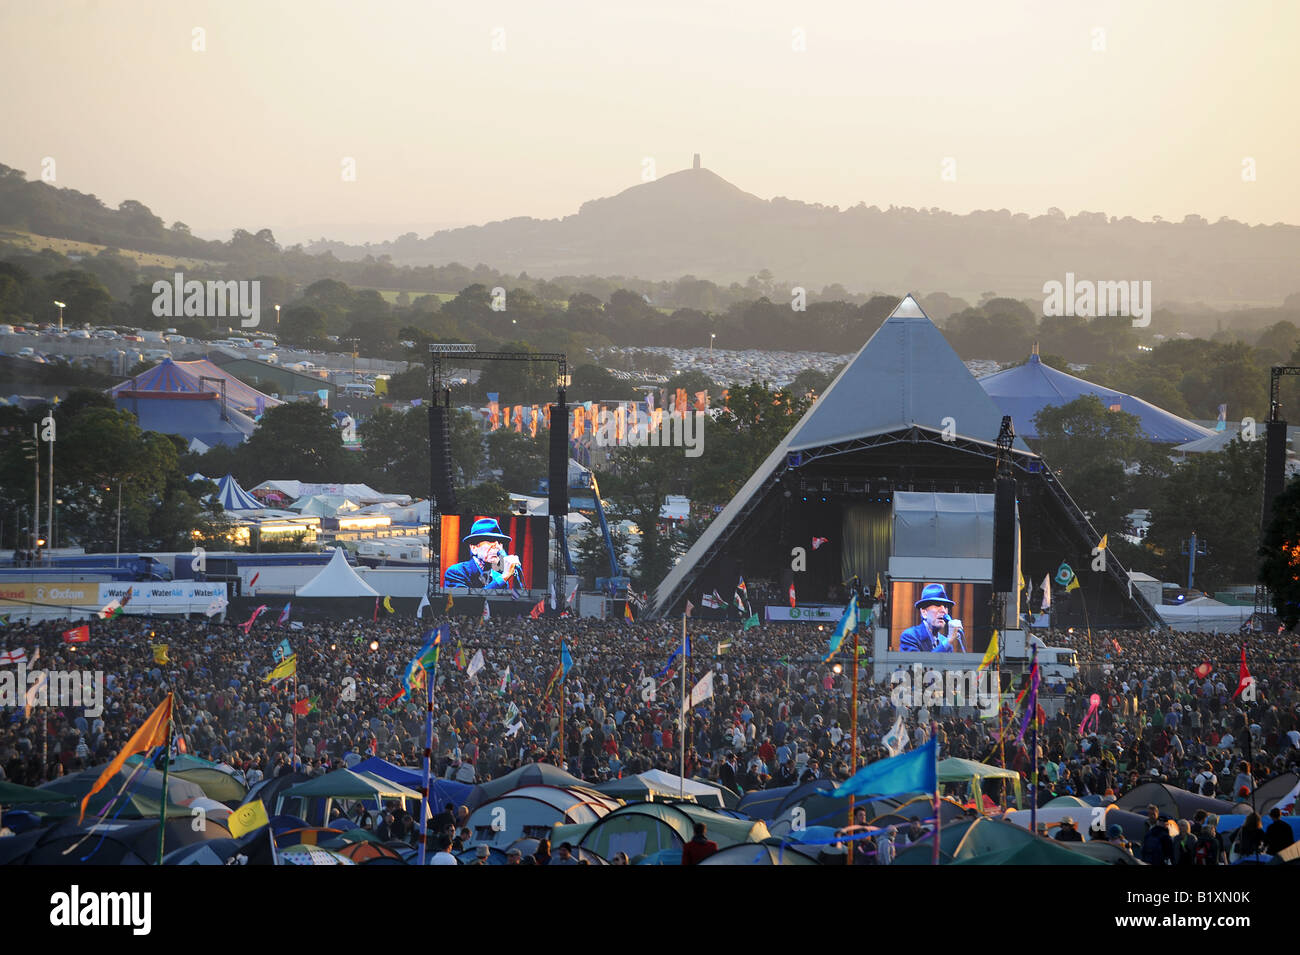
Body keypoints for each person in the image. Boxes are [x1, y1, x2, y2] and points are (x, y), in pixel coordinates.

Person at [441, 519, 524, 589]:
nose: (497, 546)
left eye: (499, 542)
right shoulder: (456, 572)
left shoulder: (497, 576)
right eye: (490, 541)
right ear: (474, 548)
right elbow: (468, 602)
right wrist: (504, 577)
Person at [898, 585, 965, 653]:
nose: (943, 611)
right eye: (937, 605)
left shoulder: (945, 643)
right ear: (924, 612)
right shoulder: (910, 636)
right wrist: (948, 641)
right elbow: (919, 663)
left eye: (945, 606)